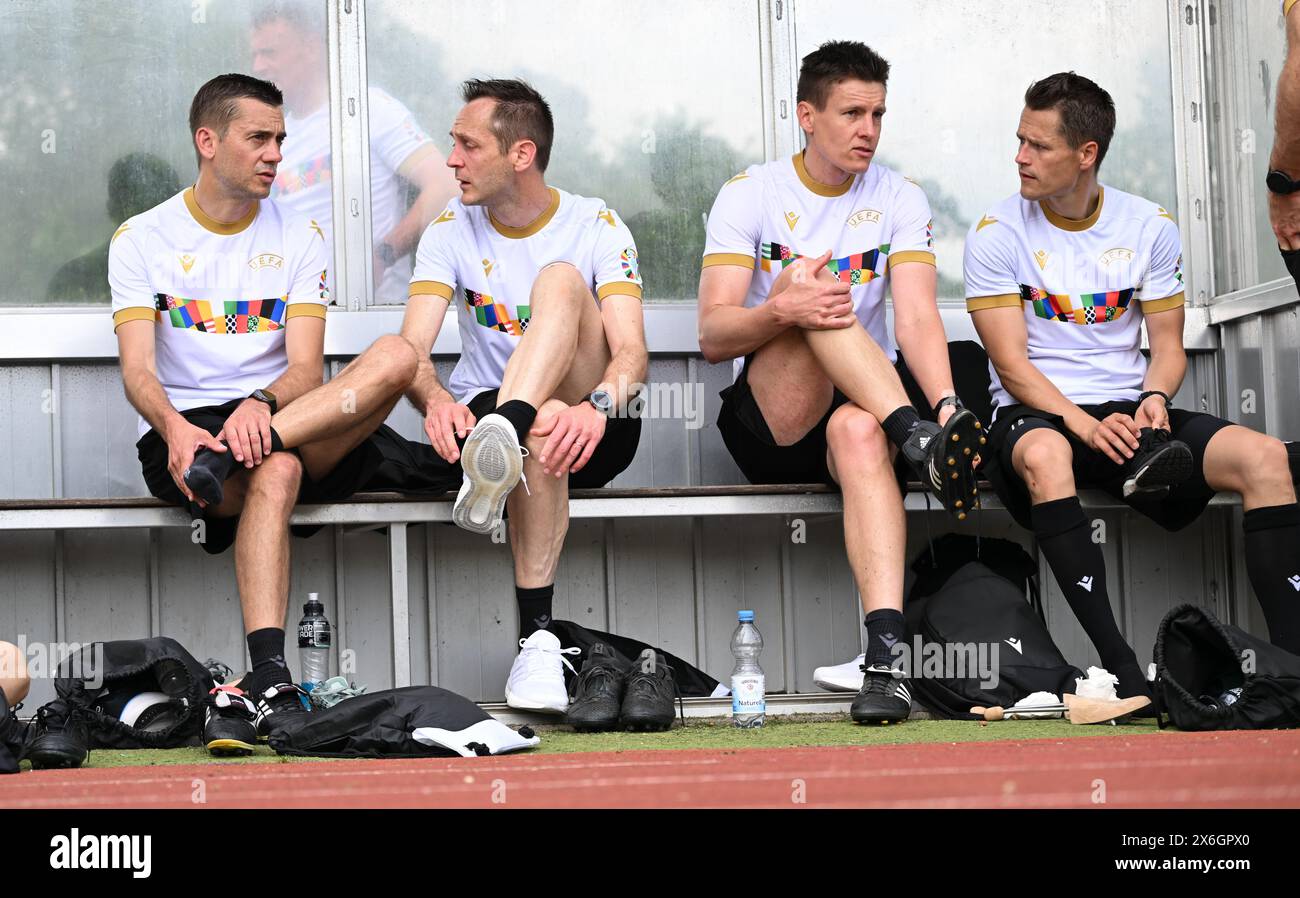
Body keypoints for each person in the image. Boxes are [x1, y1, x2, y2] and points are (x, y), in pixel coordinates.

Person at [110, 73, 452, 748]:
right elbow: (138, 372)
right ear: (208, 141)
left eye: (280, 139)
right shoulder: (142, 237)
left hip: (283, 419)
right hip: (188, 436)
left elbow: (303, 371)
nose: (275, 154)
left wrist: (260, 406)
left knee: (394, 354)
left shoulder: (300, 234)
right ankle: (270, 675)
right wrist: (175, 429)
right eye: (258, 138)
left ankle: (242, 455)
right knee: (280, 471)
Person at [966, 72, 1300, 704]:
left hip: (1127, 411)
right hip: (1036, 413)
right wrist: (1083, 424)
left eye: (1038, 145)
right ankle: (1122, 670)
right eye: (1020, 140)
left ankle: (1292, 669)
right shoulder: (995, 233)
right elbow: (1011, 368)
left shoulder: (1149, 224)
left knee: (1265, 458)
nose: (1020, 157)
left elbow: (1167, 350)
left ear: (1086, 153)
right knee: (1048, 454)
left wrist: (1154, 400)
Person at [697, 40, 984, 725]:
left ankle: (884, 663)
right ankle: (915, 438)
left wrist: (947, 407)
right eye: (853, 113)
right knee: (811, 291)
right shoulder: (750, 193)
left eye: (878, 114)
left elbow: (917, 319)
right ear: (807, 116)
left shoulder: (899, 196)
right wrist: (783, 308)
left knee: (859, 429)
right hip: (773, 421)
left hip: (861, 414)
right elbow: (713, 334)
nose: (869, 130)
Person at [401, 79, 649, 715]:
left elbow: (631, 357)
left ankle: (508, 428)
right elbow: (411, 353)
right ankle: (538, 642)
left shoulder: (594, 223)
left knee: (560, 280)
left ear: (521, 154)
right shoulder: (449, 228)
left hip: (596, 419)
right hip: (503, 419)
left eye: (468, 145)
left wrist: (596, 407)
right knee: (539, 426)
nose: (451, 160)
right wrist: (435, 401)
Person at [251, 2, 458, 303]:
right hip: (301, 318)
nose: (258, 66)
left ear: (310, 48)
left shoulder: (367, 109)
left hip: (373, 316)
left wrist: (383, 255)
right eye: (255, 55)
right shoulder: (276, 136)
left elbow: (445, 185)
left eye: (269, 53)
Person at [46, 153, 182, 302]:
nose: (147, 219)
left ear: (111, 209)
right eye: (138, 204)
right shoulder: (75, 279)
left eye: (153, 205)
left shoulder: (74, 278)